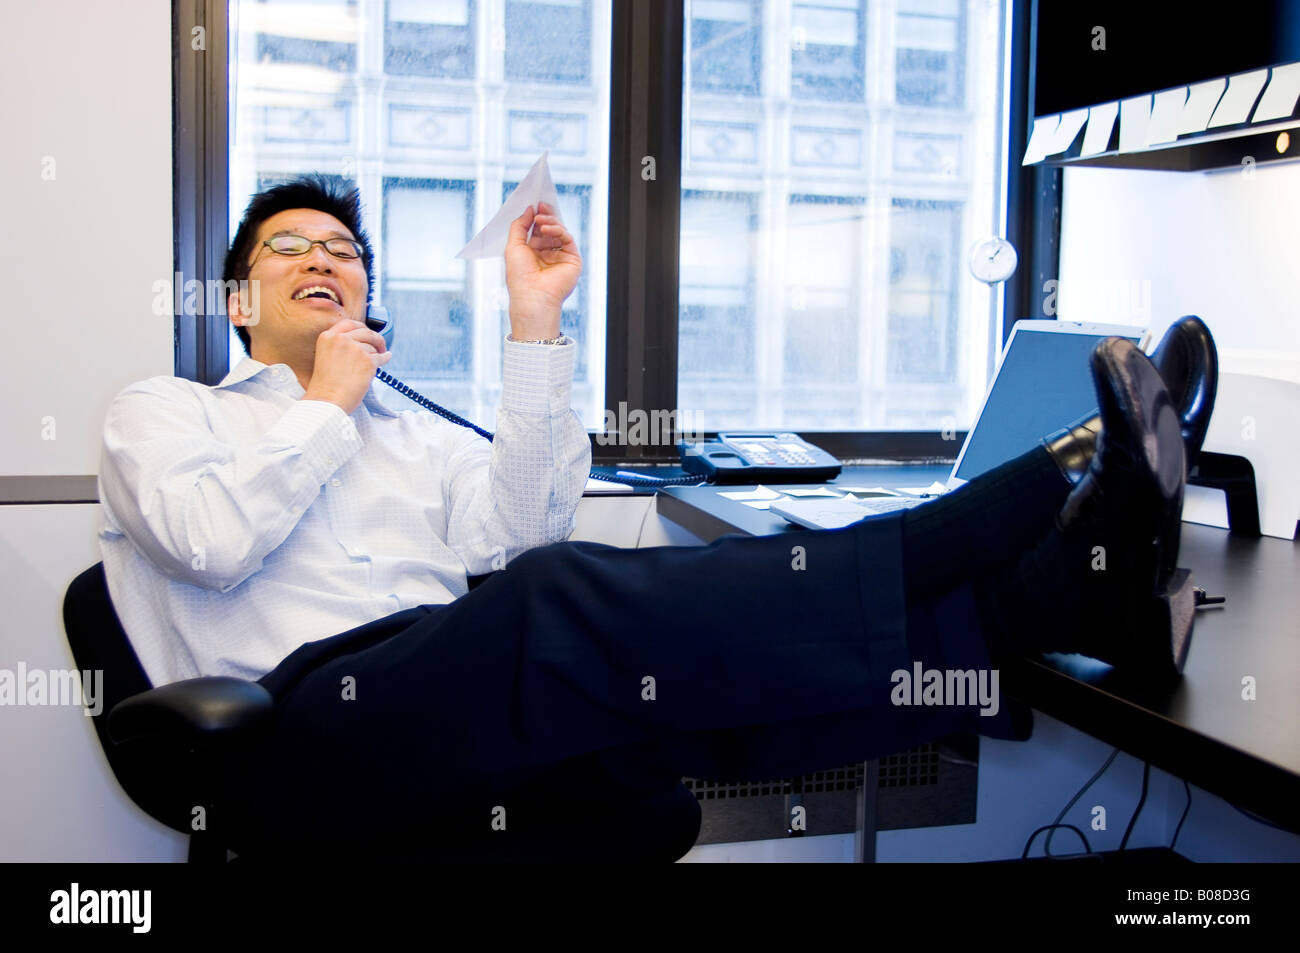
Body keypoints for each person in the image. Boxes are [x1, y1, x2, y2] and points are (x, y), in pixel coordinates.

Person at [98, 176, 1211, 860]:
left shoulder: (415, 437)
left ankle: (1041, 601)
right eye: (291, 249)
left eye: (344, 249)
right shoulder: (160, 413)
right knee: (549, 603)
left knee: (687, 708)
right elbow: (208, 538)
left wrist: (536, 320)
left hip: (453, 711)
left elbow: (526, 525)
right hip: (293, 737)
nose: (325, 260)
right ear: (239, 301)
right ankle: (1035, 489)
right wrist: (330, 403)